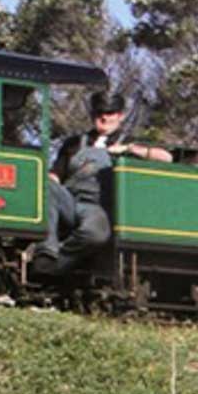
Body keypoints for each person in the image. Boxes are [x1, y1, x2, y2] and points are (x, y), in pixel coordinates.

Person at [35, 91, 172, 274]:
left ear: (120, 116)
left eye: (110, 113)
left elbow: (166, 158)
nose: (104, 118)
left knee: (96, 234)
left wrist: (130, 149)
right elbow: (55, 176)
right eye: (100, 113)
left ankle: (57, 264)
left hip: (97, 205)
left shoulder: (130, 143)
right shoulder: (74, 143)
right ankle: (46, 252)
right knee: (46, 186)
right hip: (68, 198)